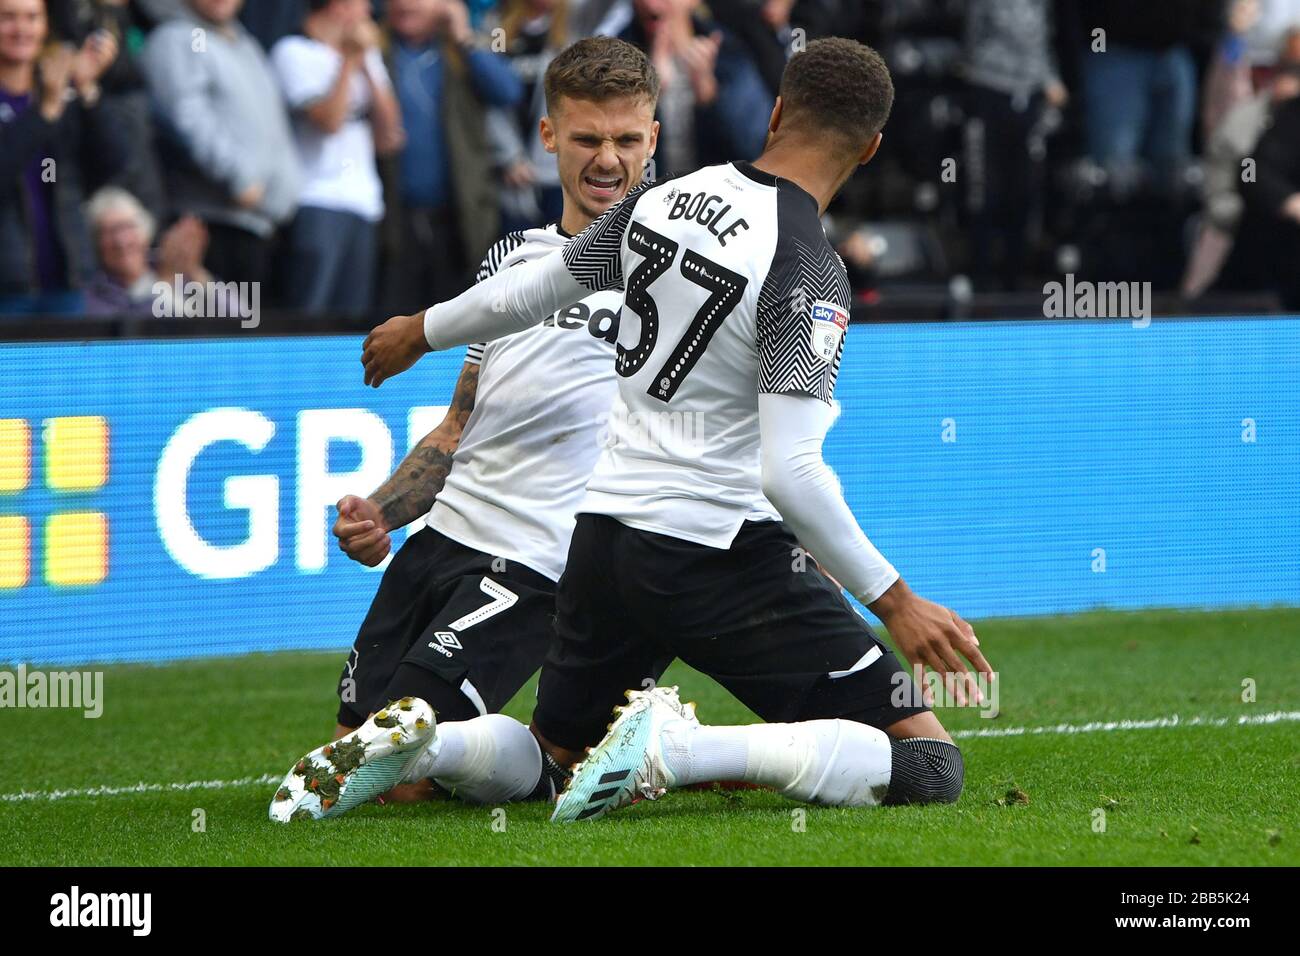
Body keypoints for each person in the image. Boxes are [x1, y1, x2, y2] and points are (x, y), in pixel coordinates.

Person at [296, 38, 992, 822]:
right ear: (871, 148)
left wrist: (420, 329)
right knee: (929, 764)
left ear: (776, 113)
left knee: (553, 760)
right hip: (714, 547)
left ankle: (434, 745)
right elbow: (788, 471)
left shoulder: (664, 202)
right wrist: (894, 602)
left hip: (600, 543)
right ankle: (682, 749)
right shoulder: (808, 264)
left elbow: (535, 288)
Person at [269, 35, 661, 819]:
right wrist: (383, 511)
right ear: (548, 136)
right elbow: (458, 425)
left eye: (627, 139)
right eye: (587, 138)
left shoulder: (674, 267)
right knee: (356, 742)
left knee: (403, 767)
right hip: (442, 542)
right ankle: (593, 753)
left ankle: (612, 756)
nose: (608, 159)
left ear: (655, 137)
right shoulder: (511, 260)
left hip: (537, 561)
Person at [140, 0, 301, 288]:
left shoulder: (245, 43)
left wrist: (285, 194)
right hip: (207, 226)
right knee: (217, 331)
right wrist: (238, 179)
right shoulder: (175, 37)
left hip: (259, 224)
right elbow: (186, 117)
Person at [379, 0, 523, 315]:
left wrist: (463, 35)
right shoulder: (375, 49)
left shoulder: (459, 52)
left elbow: (508, 91)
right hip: (391, 218)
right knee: (391, 319)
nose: (404, 5)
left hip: (458, 217)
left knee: (455, 321)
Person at [272, 0, 404, 314]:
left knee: (351, 320)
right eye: (362, 5)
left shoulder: (366, 56)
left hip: (364, 202)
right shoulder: (293, 51)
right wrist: (349, 59)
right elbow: (329, 121)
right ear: (339, 6)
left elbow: (390, 135)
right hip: (316, 199)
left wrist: (366, 62)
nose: (368, 14)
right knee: (309, 312)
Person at [0, 0, 123, 315]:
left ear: (45, 26)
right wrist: (45, 113)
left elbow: (112, 163)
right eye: (8, 18)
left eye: (31, 18)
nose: (21, 29)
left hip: (67, 283)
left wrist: (87, 88)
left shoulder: (57, 91)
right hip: (7, 290)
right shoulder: (52, 100)